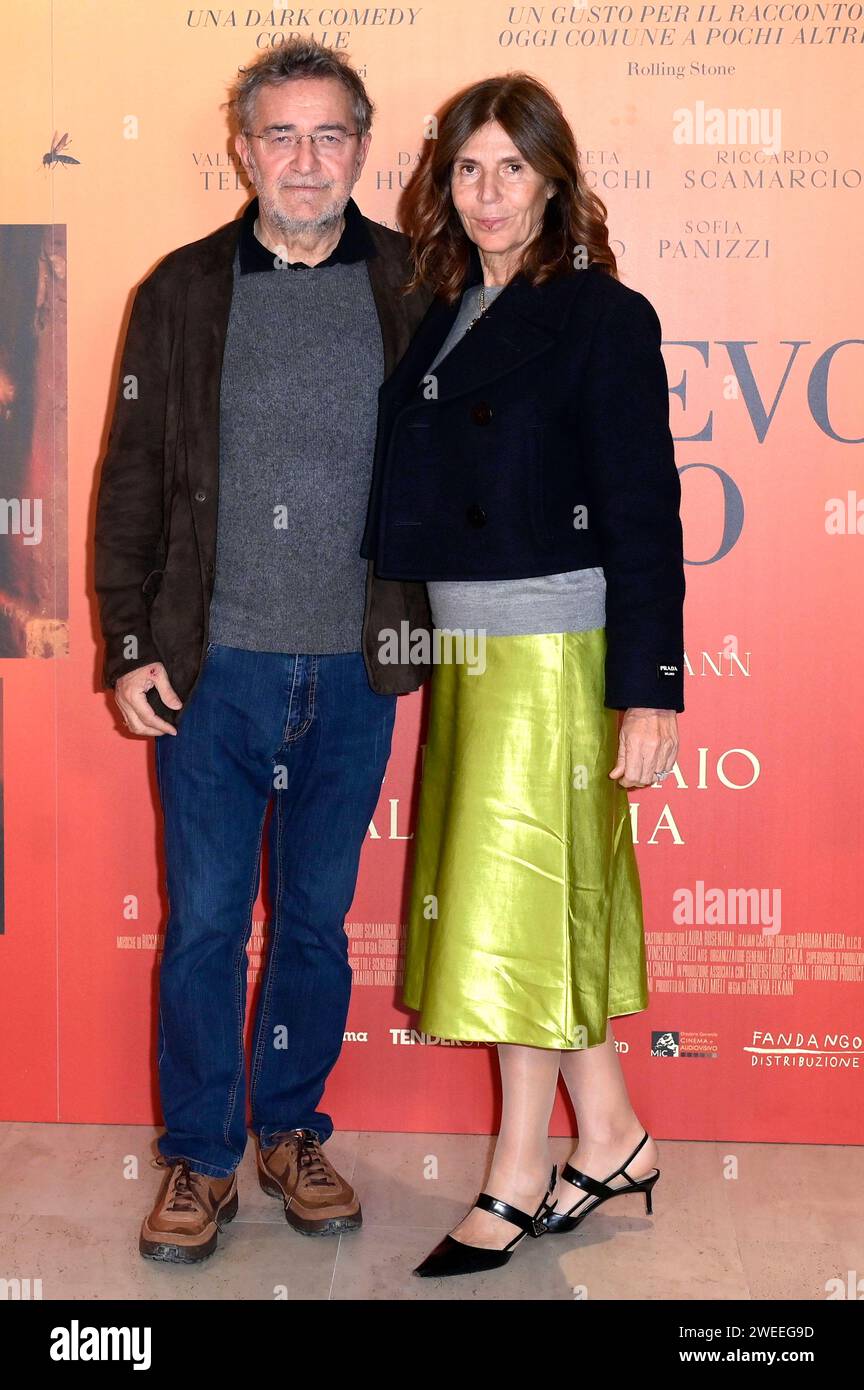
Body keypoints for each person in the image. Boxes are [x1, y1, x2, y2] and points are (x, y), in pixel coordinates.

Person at [94, 39, 432, 1264]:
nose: (304, 159)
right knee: (201, 926)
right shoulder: (182, 290)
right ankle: (197, 1157)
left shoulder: (415, 283)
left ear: (363, 144)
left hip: (353, 667)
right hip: (212, 667)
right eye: (280, 136)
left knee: (313, 925)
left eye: (328, 134)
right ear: (242, 149)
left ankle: (288, 1131)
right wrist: (130, 641)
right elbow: (130, 477)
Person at [360, 72, 686, 1278]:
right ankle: (611, 1134)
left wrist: (647, 686)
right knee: (536, 904)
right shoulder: (444, 305)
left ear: (555, 178)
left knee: (509, 915)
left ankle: (514, 1170)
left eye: (512, 166)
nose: (489, 191)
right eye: (467, 167)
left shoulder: (600, 314)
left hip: (554, 649)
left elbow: (647, 511)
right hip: (465, 645)